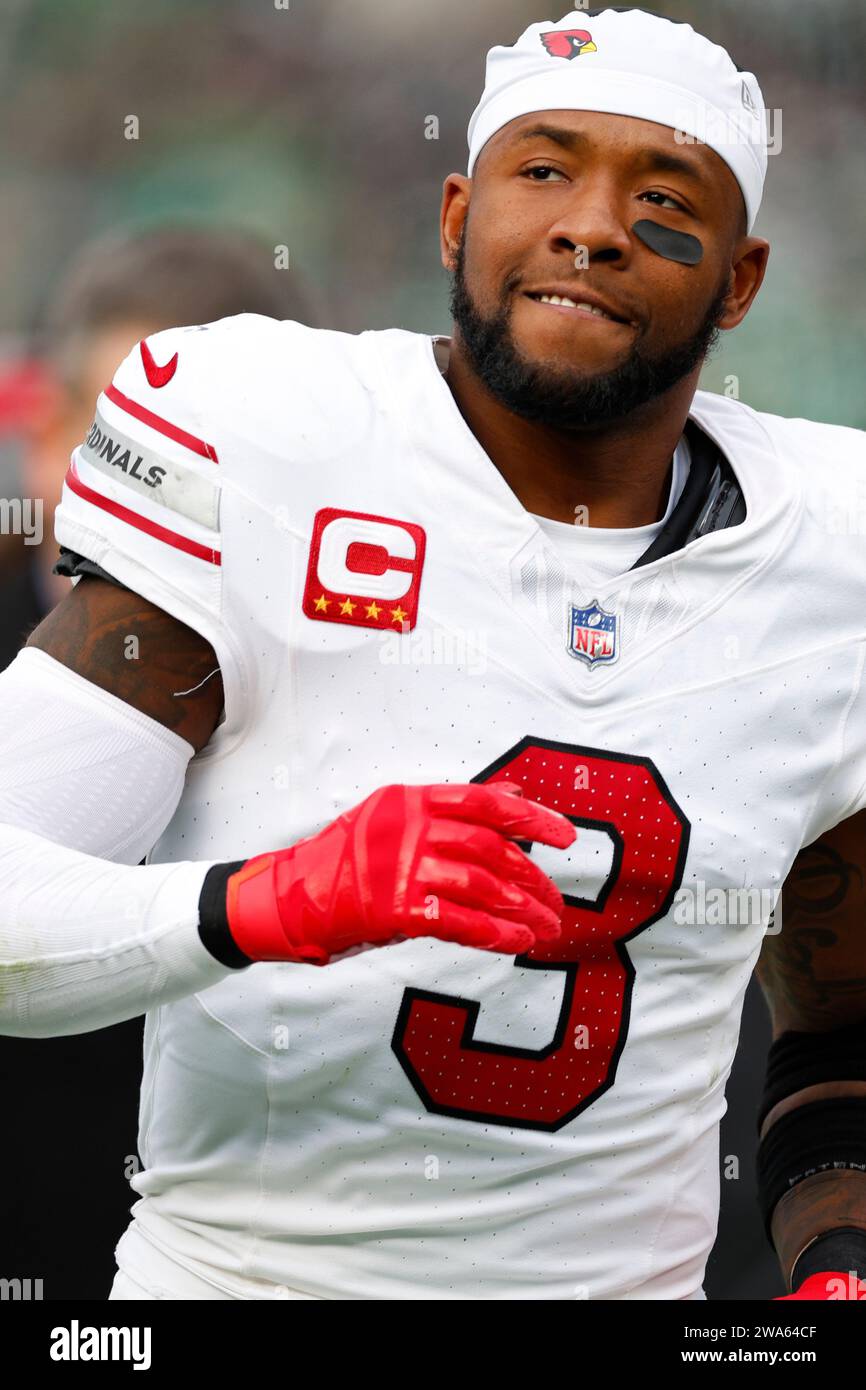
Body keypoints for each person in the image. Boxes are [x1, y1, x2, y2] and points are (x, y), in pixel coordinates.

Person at [1, 8, 864, 1301]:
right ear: (456, 216)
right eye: (545, 168)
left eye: (662, 191)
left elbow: (840, 1035)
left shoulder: (829, 554)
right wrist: (275, 896)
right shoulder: (264, 438)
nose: (591, 222)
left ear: (738, 280)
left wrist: (838, 1268)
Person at [0, 225, 315, 1299]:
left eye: (187, 467)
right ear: (39, 427)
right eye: (107, 444)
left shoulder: (387, 691)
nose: (132, 507)